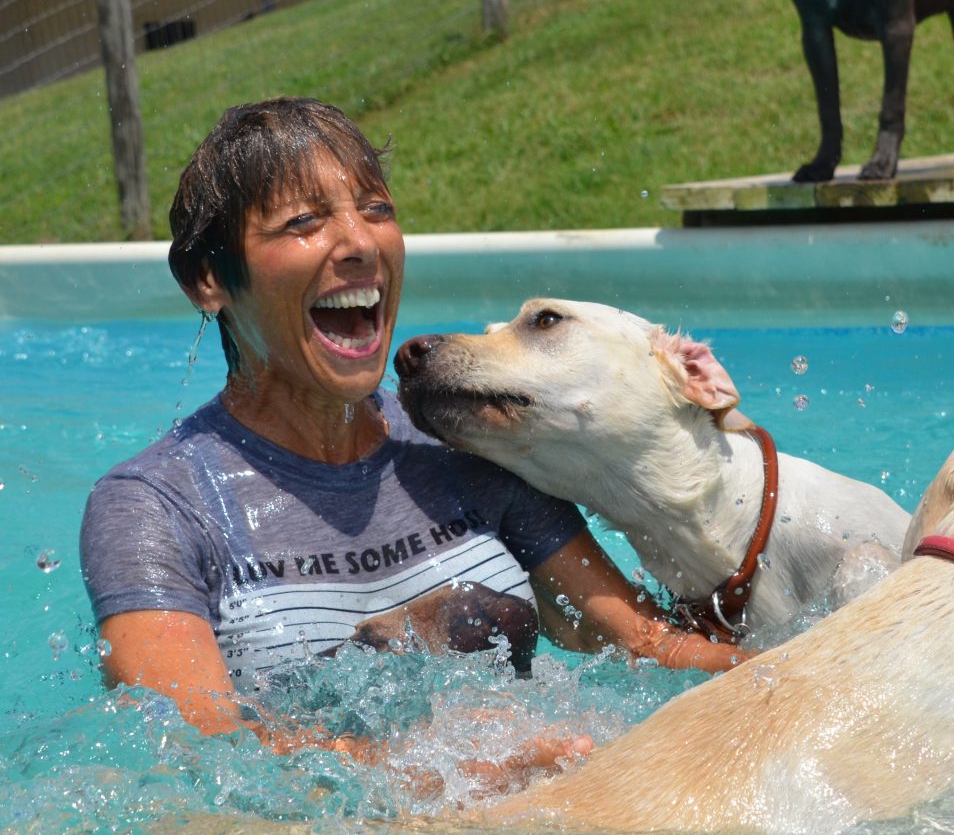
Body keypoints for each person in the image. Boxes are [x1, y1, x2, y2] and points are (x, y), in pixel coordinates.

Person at [79, 97, 740, 784]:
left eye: (376, 209)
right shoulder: (154, 507)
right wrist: (452, 771)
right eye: (304, 221)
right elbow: (200, 751)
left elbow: (647, 647)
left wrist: (817, 664)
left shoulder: (465, 447)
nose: (360, 243)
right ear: (208, 280)